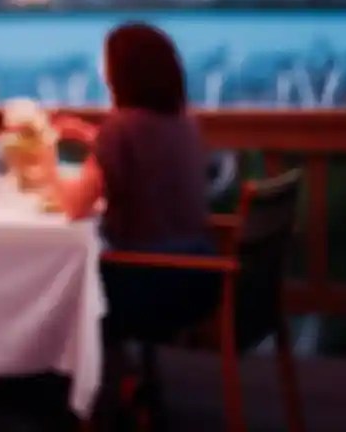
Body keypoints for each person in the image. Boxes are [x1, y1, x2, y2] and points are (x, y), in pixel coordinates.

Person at [44, 22, 219, 360]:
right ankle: (123, 383)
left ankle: (75, 387)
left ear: (120, 73)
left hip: (148, 280)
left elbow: (74, 206)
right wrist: (94, 138)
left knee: (57, 280)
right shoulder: (184, 121)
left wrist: (45, 153)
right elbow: (149, 162)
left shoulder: (121, 127)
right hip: (202, 276)